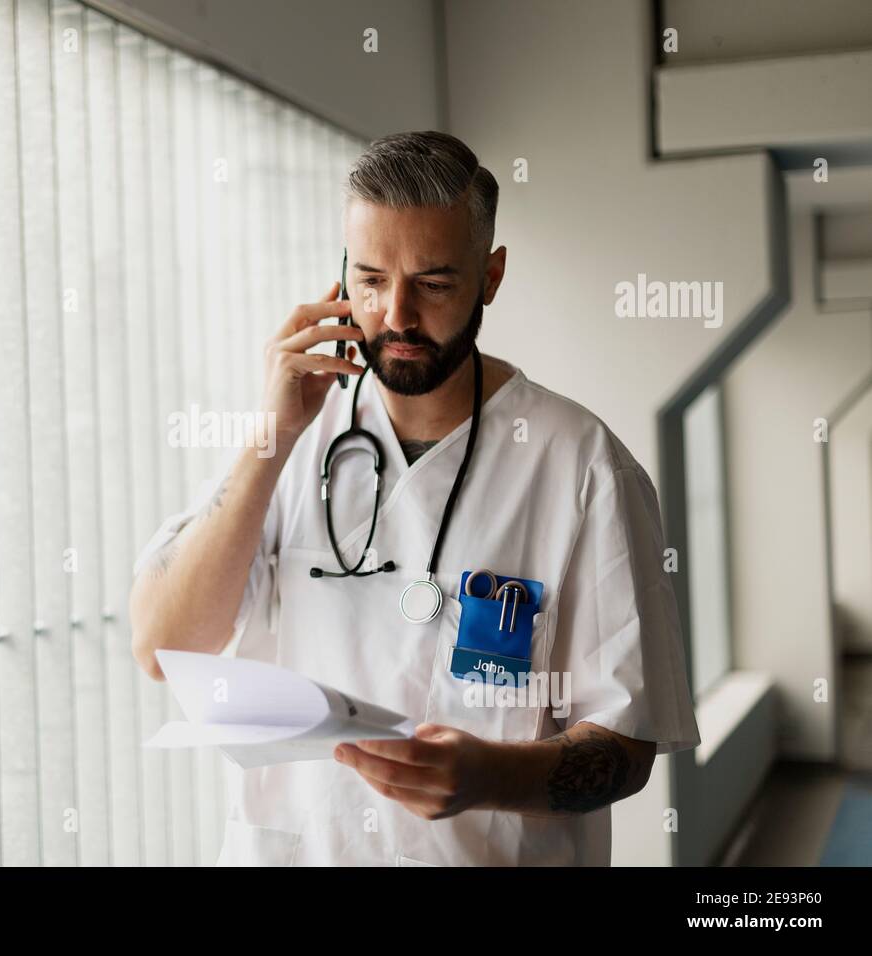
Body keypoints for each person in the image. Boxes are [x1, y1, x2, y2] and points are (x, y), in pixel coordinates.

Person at [128, 130, 700, 866]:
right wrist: (269, 437)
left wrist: (491, 775)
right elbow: (163, 646)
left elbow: (627, 746)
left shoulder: (582, 467)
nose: (396, 316)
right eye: (369, 280)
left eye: (432, 284)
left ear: (489, 277)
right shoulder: (293, 439)